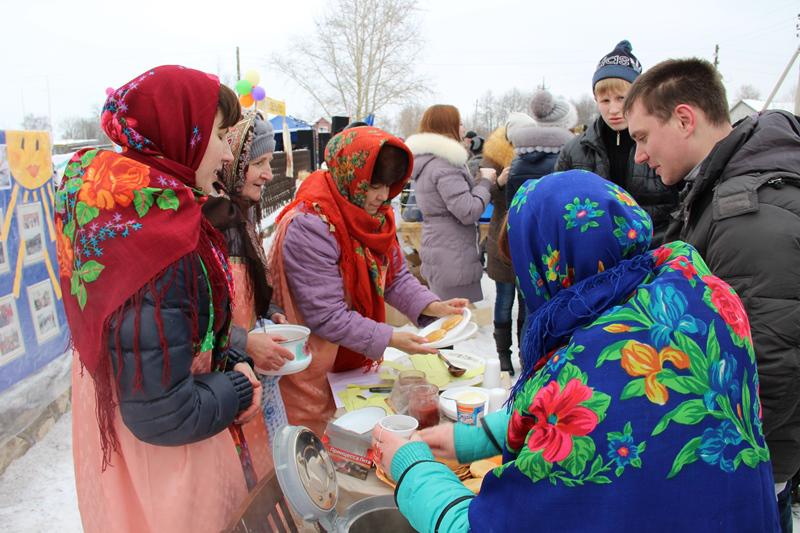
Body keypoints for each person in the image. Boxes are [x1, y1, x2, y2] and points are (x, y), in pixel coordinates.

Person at [372, 170, 780, 532]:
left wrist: (413, 468)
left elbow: (491, 526)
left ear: (551, 267)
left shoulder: (586, 370)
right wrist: (475, 438)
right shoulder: (700, 296)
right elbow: (621, 408)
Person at [56, 66, 263, 532]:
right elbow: (164, 411)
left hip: (140, 451)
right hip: (167, 469)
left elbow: (175, 336)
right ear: (178, 135)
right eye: (219, 135)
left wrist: (228, 356)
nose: (228, 152)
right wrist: (236, 386)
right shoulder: (157, 241)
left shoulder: (133, 210)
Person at [623, 57, 800, 533]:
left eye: (642, 136)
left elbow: (770, 366)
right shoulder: (722, 186)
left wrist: (699, 454)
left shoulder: (748, 214)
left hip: (744, 465)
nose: (638, 156)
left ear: (684, 119)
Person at [268, 126, 467, 435]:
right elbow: (326, 315)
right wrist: (391, 338)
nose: (383, 196)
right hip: (313, 363)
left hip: (347, 360)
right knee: (318, 440)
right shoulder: (311, 224)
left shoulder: (375, 216)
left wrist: (432, 307)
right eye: (374, 185)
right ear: (351, 176)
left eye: (389, 185)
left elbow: (394, 276)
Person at [202, 110, 295, 474]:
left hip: (247, 370)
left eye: (269, 162)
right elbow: (203, 320)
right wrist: (244, 342)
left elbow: (246, 288)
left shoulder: (241, 215)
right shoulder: (214, 222)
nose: (269, 174)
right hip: (228, 378)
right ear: (233, 163)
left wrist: (268, 310)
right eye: (258, 162)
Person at [556, 40, 679, 246]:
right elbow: (559, 208)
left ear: (639, 97)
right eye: (605, 100)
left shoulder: (663, 146)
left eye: (621, 98)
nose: (613, 110)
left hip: (655, 253)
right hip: (596, 256)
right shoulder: (573, 151)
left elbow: (681, 209)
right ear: (596, 100)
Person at [405, 105, 493, 302]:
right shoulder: (445, 164)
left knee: (447, 315)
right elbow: (468, 211)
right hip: (454, 257)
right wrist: (486, 182)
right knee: (458, 317)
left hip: (441, 251)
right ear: (448, 126)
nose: (463, 128)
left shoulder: (429, 161)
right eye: (459, 123)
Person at [480, 125, 522, 375]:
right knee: (504, 300)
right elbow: (485, 195)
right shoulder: (492, 158)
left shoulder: (533, 155)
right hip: (501, 238)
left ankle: (525, 353)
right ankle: (503, 355)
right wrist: (499, 182)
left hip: (526, 238)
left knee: (527, 304)